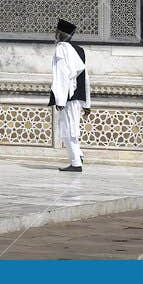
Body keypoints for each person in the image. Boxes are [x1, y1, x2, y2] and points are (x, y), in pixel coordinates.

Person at [48, 17, 90, 172]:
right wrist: (87, 103)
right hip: (78, 96)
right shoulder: (79, 50)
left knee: (68, 129)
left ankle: (76, 163)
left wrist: (60, 99)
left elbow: (62, 74)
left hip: (68, 97)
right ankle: (78, 154)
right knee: (72, 128)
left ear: (60, 34)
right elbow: (85, 78)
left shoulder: (61, 48)